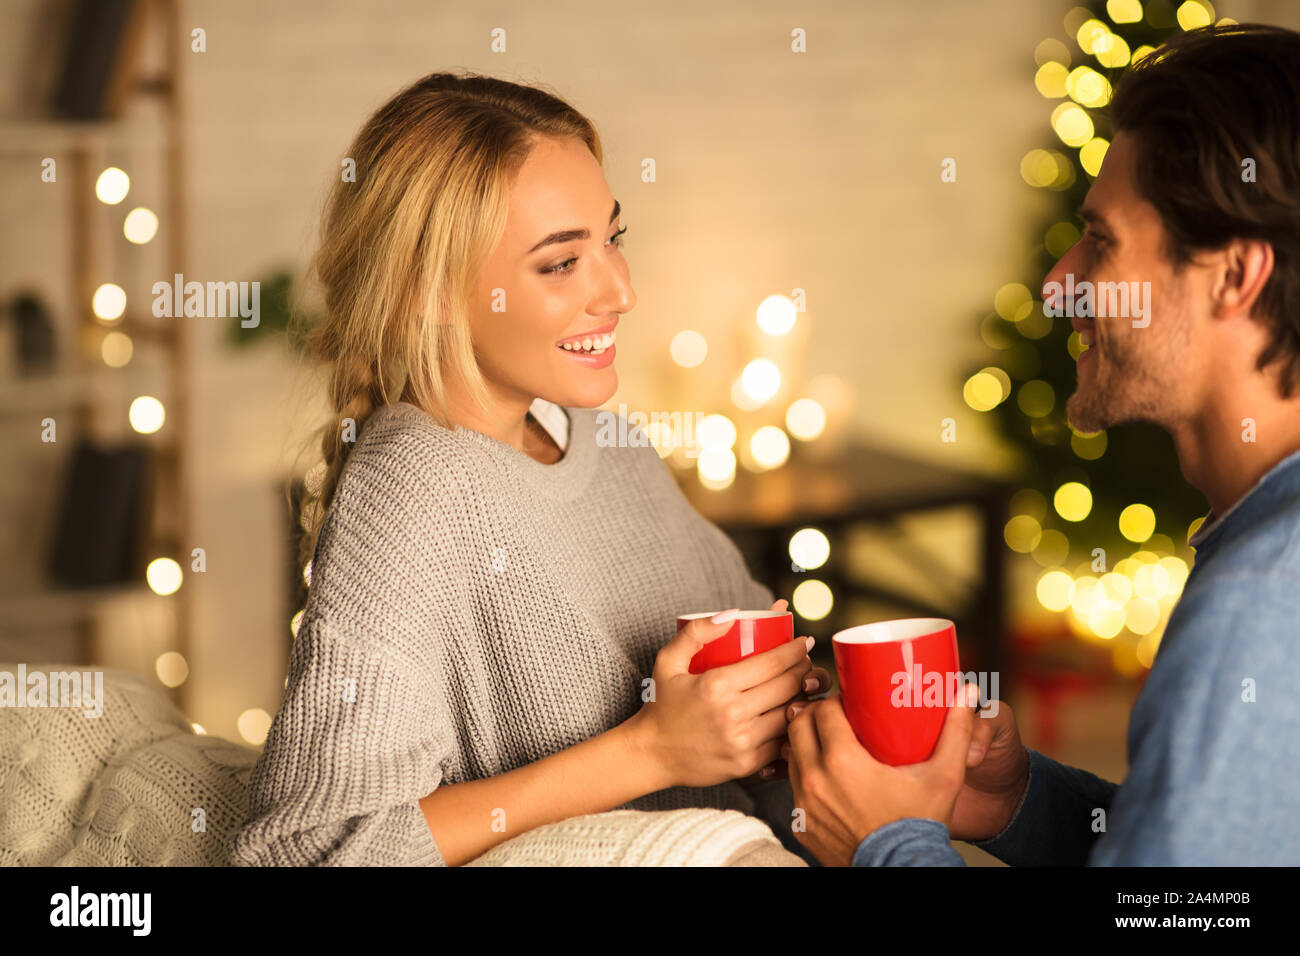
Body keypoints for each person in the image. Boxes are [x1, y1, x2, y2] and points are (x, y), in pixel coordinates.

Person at [230, 72, 829, 866]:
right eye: (560, 264)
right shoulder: (411, 485)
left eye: (613, 239)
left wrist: (808, 700)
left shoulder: (607, 447)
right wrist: (651, 752)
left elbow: (756, 666)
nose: (620, 291)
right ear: (429, 293)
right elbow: (311, 851)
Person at [783, 23, 1300, 866]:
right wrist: (1023, 800)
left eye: (1100, 242)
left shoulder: (1262, 604)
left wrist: (885, 843)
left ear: (1235, 276)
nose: (1058, 286)